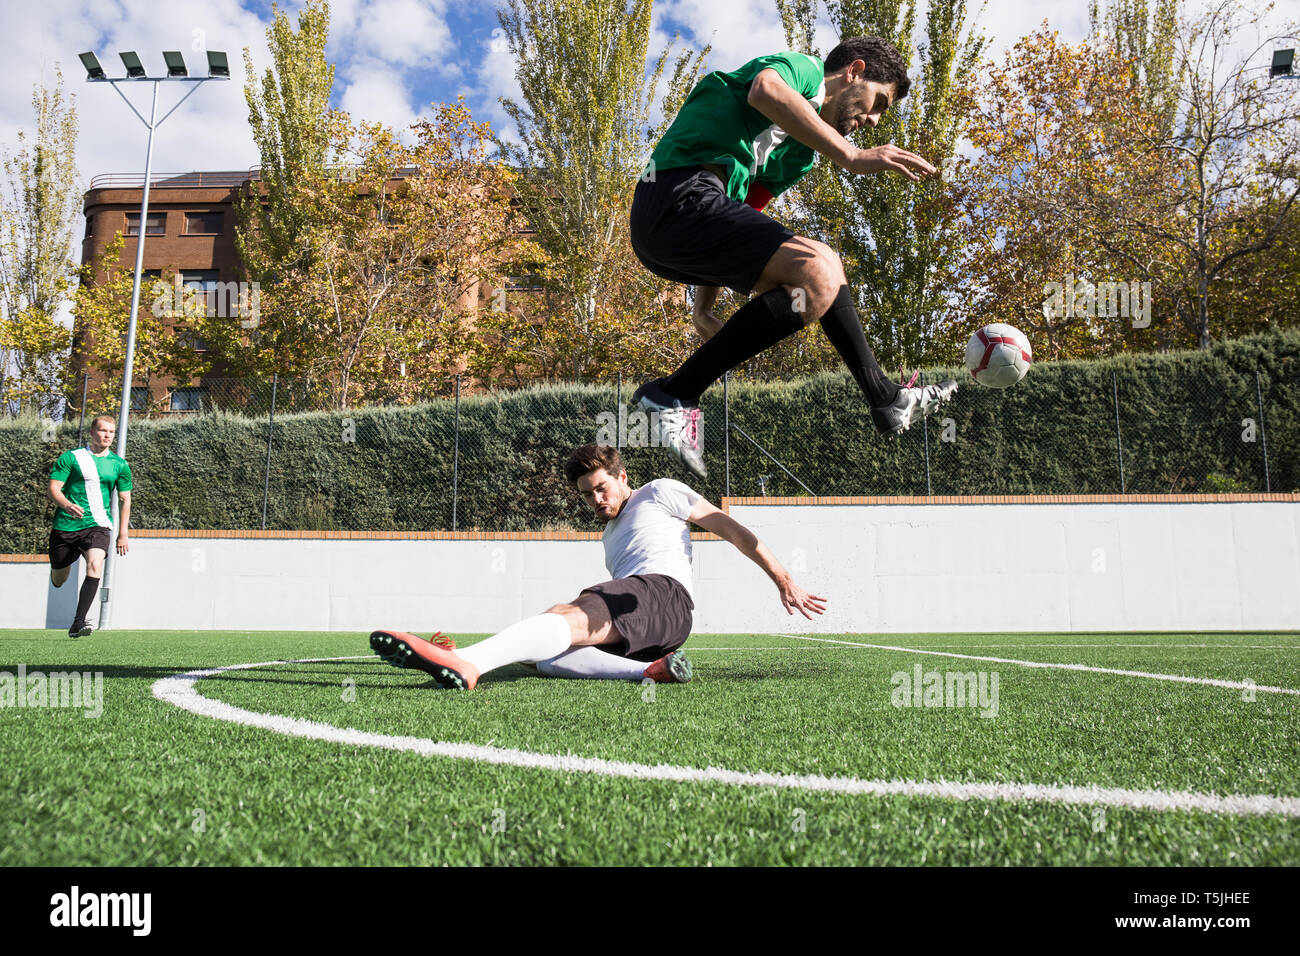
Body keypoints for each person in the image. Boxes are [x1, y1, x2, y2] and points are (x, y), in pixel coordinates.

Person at [629, 35, 958, 477]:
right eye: (878, 101)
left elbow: (739, 214)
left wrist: (703, 308)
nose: (876, 120)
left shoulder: (801, 155)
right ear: (853, 72)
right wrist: (852, 156)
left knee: (822, 273)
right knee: (816, 265)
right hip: (672, 195)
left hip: (680, 236)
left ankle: (885, 398)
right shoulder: (803, 71)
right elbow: (764, 90)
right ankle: (675, 392)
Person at [370, 443, 825, 689]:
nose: (597, 498)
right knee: (541, 649)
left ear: (623, 477)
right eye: (587, 493)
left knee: (566, 618)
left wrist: (784, 579)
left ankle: (466, 662)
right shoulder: (609, 536)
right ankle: (649, 671)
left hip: (661, 594)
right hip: (652, 628)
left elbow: (729, 528)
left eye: (602, 487)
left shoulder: (659, 492)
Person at [48, 413, 132, 638]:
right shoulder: (71, 458)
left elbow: (125, 499)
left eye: (111, 432)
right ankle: (61, 566)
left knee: (95, 565)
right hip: (66, 525)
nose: (107, 435)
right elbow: (54, 488)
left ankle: (78, 622)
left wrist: (122, 533)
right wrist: (66, 505)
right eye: (103, 430)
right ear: (92, 432)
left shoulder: (119, 464)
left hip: (98, 525)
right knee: (59, 578)